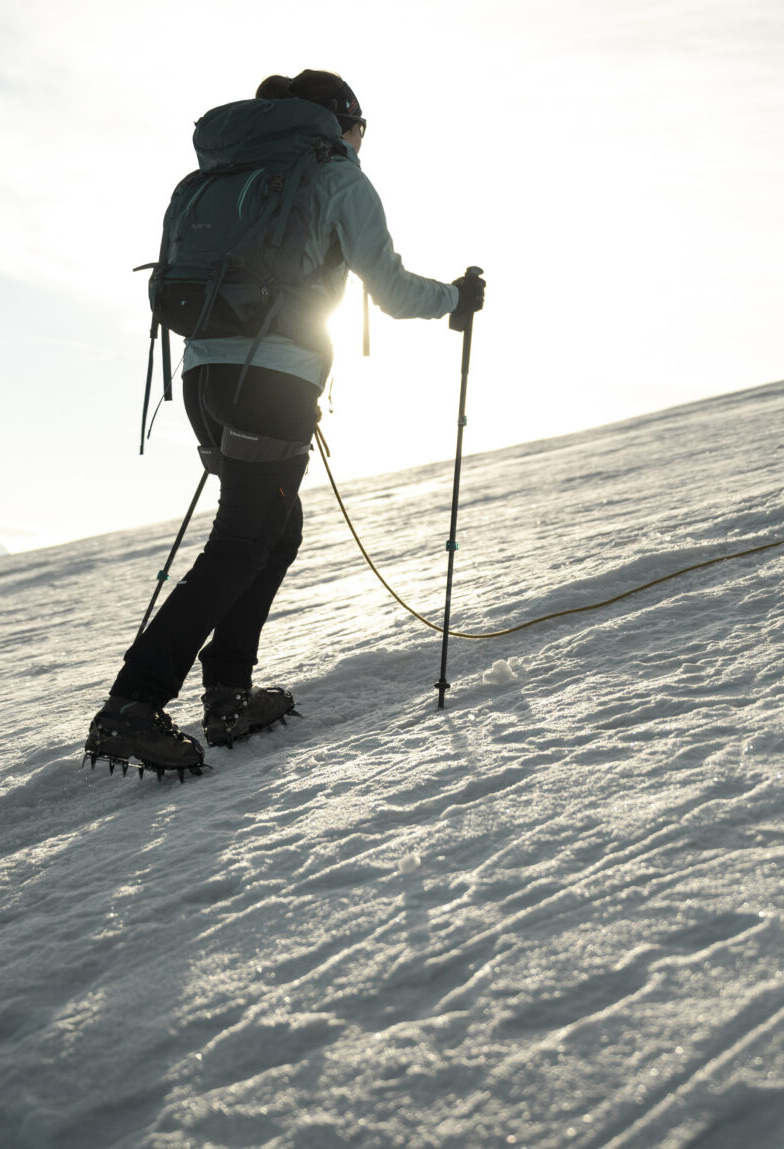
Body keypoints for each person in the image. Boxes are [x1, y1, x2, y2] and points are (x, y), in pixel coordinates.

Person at [85, 70, 485, 778]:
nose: (360, 143)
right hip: (270, 378)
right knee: (243, 540)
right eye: (359, 129)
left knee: (275, 526)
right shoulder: (334, 175)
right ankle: (133, 702)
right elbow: (389, 290)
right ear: (341, 121)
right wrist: (456, 297)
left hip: (202, 373)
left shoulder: (223, 170)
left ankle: (228, 689)